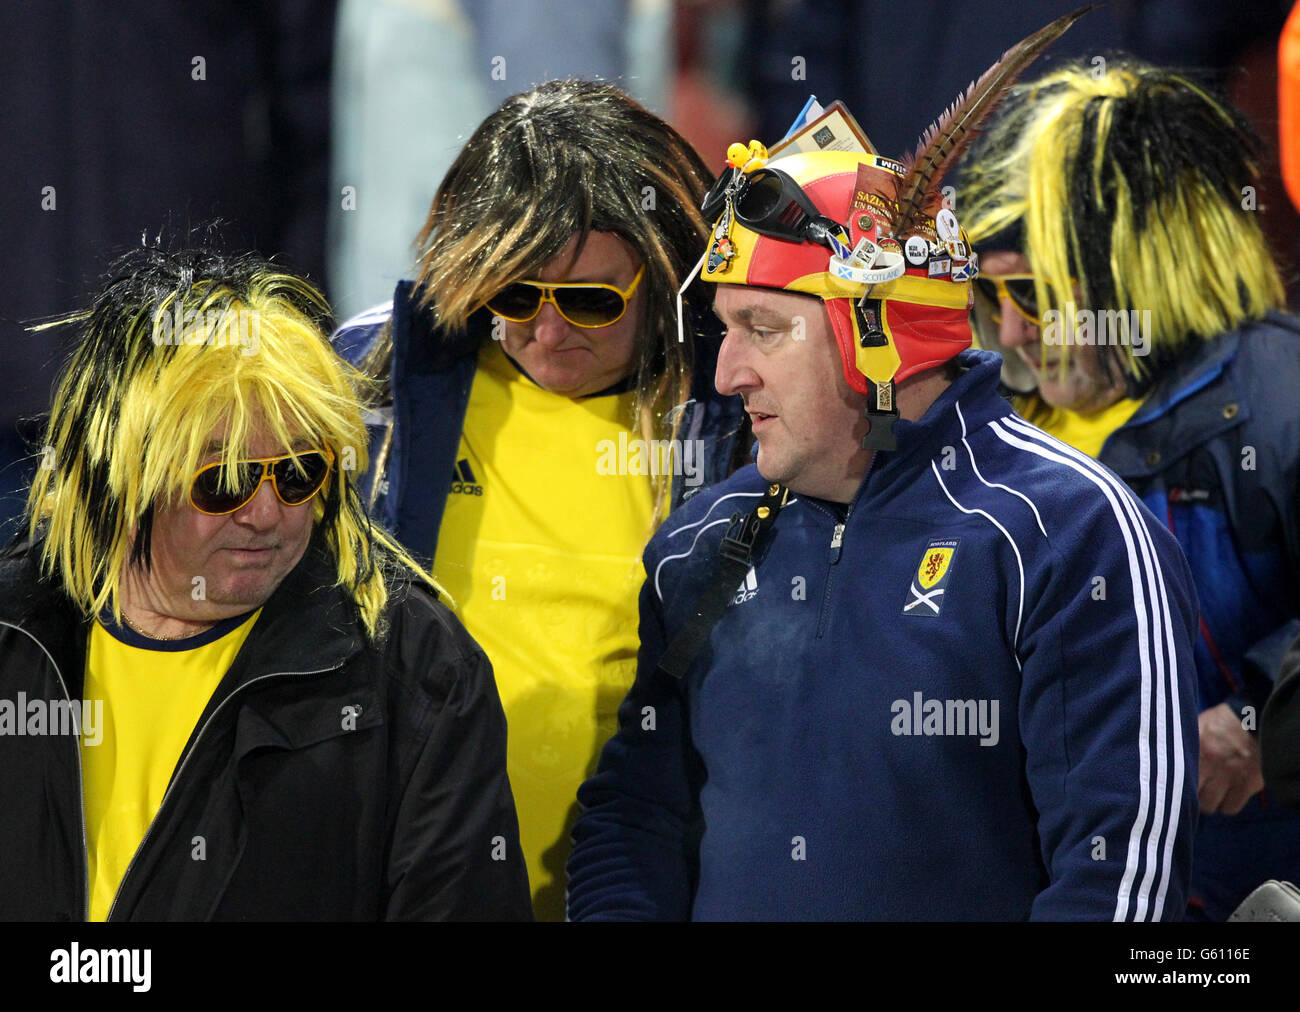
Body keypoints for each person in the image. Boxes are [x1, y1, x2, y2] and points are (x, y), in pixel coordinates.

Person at [565, 63, 1201, 917]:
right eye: (725, 328)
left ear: (880, 338)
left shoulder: (1068, 532)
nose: (725, 374)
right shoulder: (698, 544)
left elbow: (1120, 880)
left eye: (763, 329)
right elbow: (631, 820)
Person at [0, 245, 531, 921]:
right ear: (121, 479)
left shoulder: (416, 671)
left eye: (299, 472)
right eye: (221, 481)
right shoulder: (16, 636)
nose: (265, 514)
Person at [332, 79, 747, 919]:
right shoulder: (370, 373)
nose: (547, 332)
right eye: (515, 295)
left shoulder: (742, 407)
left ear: (671, 274)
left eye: (592, 300)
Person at [961, 59, 1300, 921]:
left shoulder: (1281, 396)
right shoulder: (983, 410)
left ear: (1139, 274)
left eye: (1035, 294)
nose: (1008, 332)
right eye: (990, 292)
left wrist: (1263, 717)